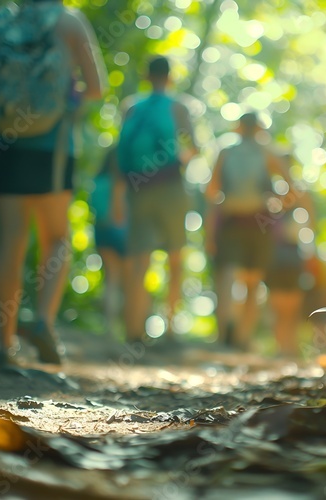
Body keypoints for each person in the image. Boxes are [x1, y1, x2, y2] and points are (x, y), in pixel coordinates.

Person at [0, 0, 106, 367]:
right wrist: (64, 95)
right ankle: (43, 321)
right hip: (53, 146)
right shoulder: (70, 21)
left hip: (4, 142)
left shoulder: (2, 20)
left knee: (10, 238)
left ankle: (5, 344)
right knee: (57, 237)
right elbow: (96, 87)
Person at [113, 56, 198, 342]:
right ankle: (170, 327)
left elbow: (119, 155)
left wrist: (118, 194)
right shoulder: (178, 107)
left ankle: (134, 328)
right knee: (175, 256)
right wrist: (177, 161)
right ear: (170, 76)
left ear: (146, 75)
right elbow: (194, 147)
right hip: (171, 187)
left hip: (138, 189)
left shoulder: (131, 107)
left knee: (139, 258)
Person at [204, 112, 289, 351]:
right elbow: (292, 187)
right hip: (259, 223)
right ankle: (242, 338)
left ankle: (223, 338)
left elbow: (211, 192)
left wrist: (209, 233)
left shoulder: (226, 152)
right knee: (253, 283)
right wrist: (276, 204)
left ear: (239, 127)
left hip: (231, 221)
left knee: (226, 279)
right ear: (259, 128)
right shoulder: (268, 152)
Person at [265, 160, 316, 358]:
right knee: (289, 311)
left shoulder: (273, 195)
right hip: (290, 259)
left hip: (280, 259)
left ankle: (285, 350)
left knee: (281, 310)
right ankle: (287, 350)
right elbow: (311, 223)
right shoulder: (299, 197)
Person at [90, 147, 127, 337]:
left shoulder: (98, 182)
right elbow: (119, 212)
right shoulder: (119, 182)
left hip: (101, 231)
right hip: (119, 232)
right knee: (121, 280)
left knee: (110, 279)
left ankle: (109, 325)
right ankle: (119, 326)